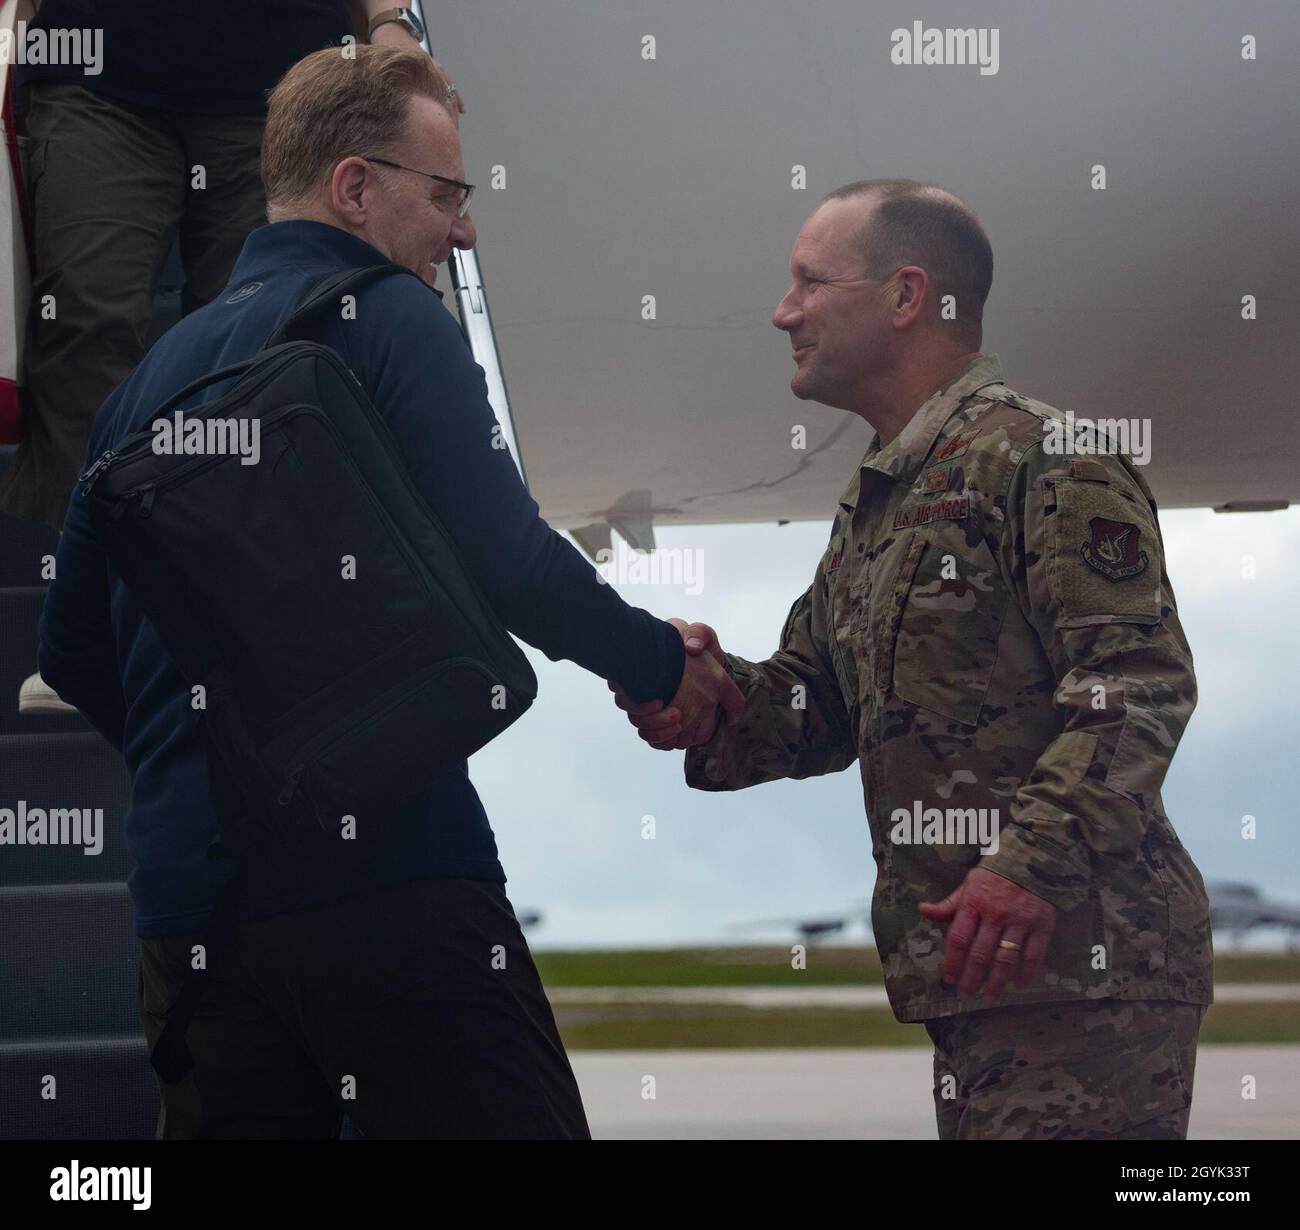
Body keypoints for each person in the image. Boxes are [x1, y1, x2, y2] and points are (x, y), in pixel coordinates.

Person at [37, 44, 743, 1139]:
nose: (462, 229)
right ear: (355, 188)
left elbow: (72, 644)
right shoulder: (386, 317)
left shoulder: (144, 383)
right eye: (447, 194)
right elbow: (513, 561)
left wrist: (224, 763)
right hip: (395, 887)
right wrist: (665, 668)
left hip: (190, 928)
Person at [613, 179, 1213, 1140]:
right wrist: (711, 698)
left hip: (1081, 966)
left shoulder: (1043, 458)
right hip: (979, 980)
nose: (783, 312)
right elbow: (815, 704)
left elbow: (1136, 687)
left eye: (810, 282)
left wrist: (1025, 869)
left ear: (905, 297)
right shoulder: (883, 498)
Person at [4, 0, 455, 711]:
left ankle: (217, 624)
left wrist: (391, 21)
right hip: (97, 71)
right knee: (87, 318)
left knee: (257, 355)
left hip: (282, 91)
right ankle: (99, 610)